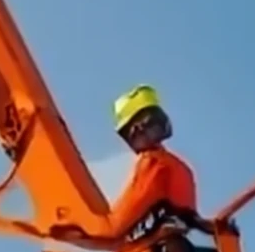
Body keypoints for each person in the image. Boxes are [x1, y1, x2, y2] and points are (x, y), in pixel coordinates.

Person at [51, 85, 221, 242]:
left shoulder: (154, 164)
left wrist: (72, 224)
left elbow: (114, 227)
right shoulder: (180, 167)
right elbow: (188, 216)